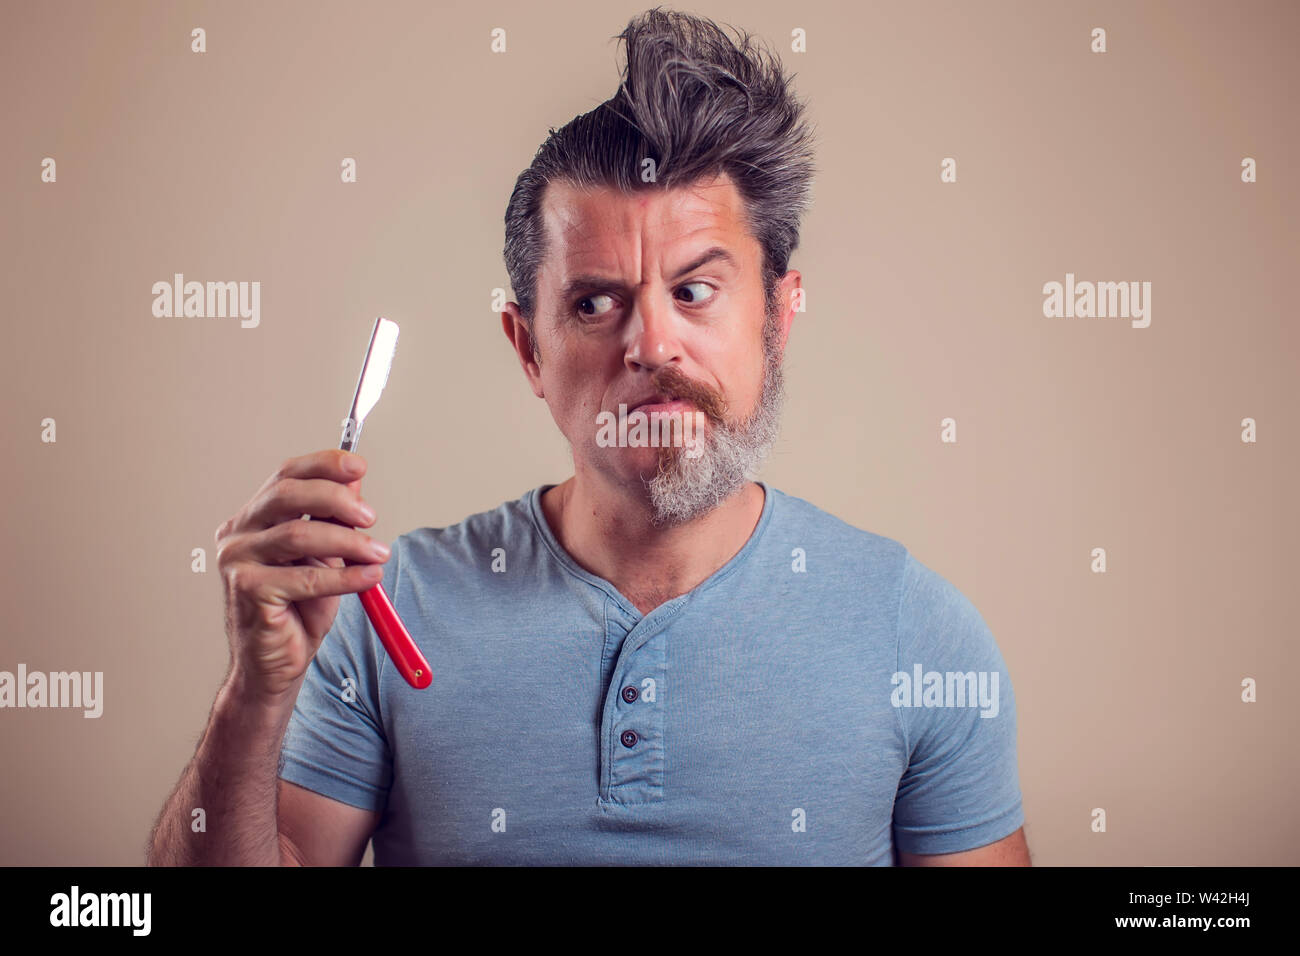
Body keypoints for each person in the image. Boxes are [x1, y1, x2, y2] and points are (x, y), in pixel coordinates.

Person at [147, 7, 1029, 866]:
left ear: (778, 318)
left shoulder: (919, 635)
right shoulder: (386, 615)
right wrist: (255, 697)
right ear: (529, 349)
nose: (651, 343)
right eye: (595, 302)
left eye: (694, 291)